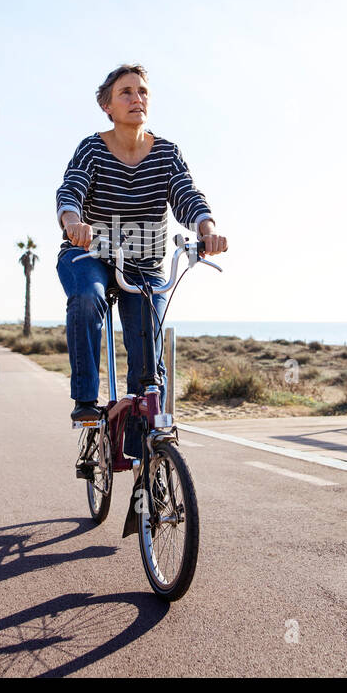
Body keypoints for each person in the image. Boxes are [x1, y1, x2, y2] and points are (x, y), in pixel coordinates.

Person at [54, 64, 228, 450]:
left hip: (145, 266)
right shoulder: (92, 149)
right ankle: (85, 399)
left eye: (143, 91)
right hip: (89, 257)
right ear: (108, 107)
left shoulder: (165, 152)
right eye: (127, 93)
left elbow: (187, 195)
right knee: (88, 299)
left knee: (148, 355)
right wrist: (73, 222)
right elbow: (71, 192)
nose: (137, 99)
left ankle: (144, 450)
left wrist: (207, 230)